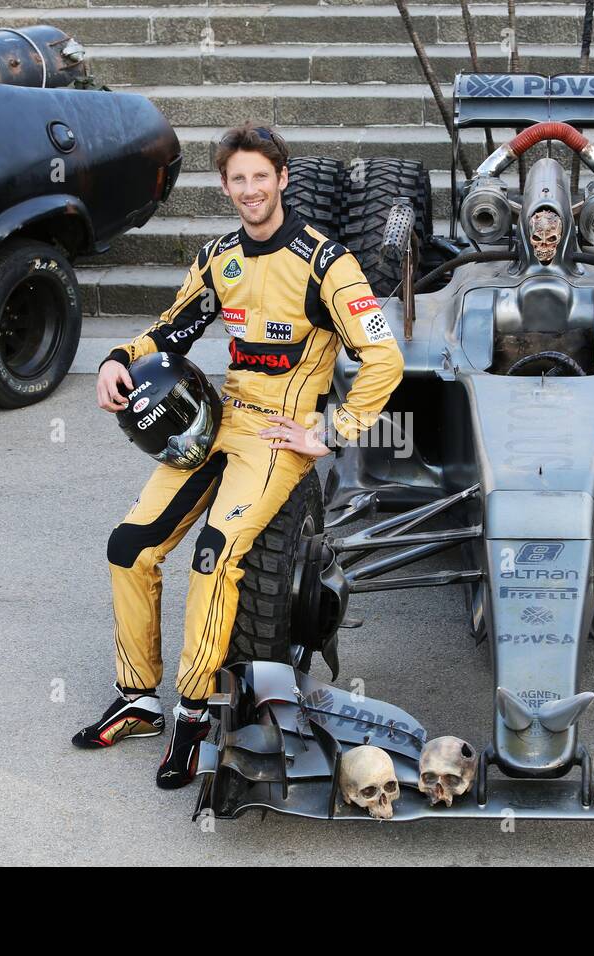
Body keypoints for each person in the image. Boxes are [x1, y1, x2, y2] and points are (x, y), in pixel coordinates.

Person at [72, 123, 405, 789]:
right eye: (237, 180)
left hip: (281, 438)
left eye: (261, 176)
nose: (250, 190)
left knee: (214, 555)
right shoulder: (220, 257)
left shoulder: (326, 263)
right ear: (225, 187)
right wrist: (117, 360)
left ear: (282, 178)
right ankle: (138, 697)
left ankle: (194, 714)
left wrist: (331, 432)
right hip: (218, 422)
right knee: (128, 546)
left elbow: (385, 358)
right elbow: (173, 327)